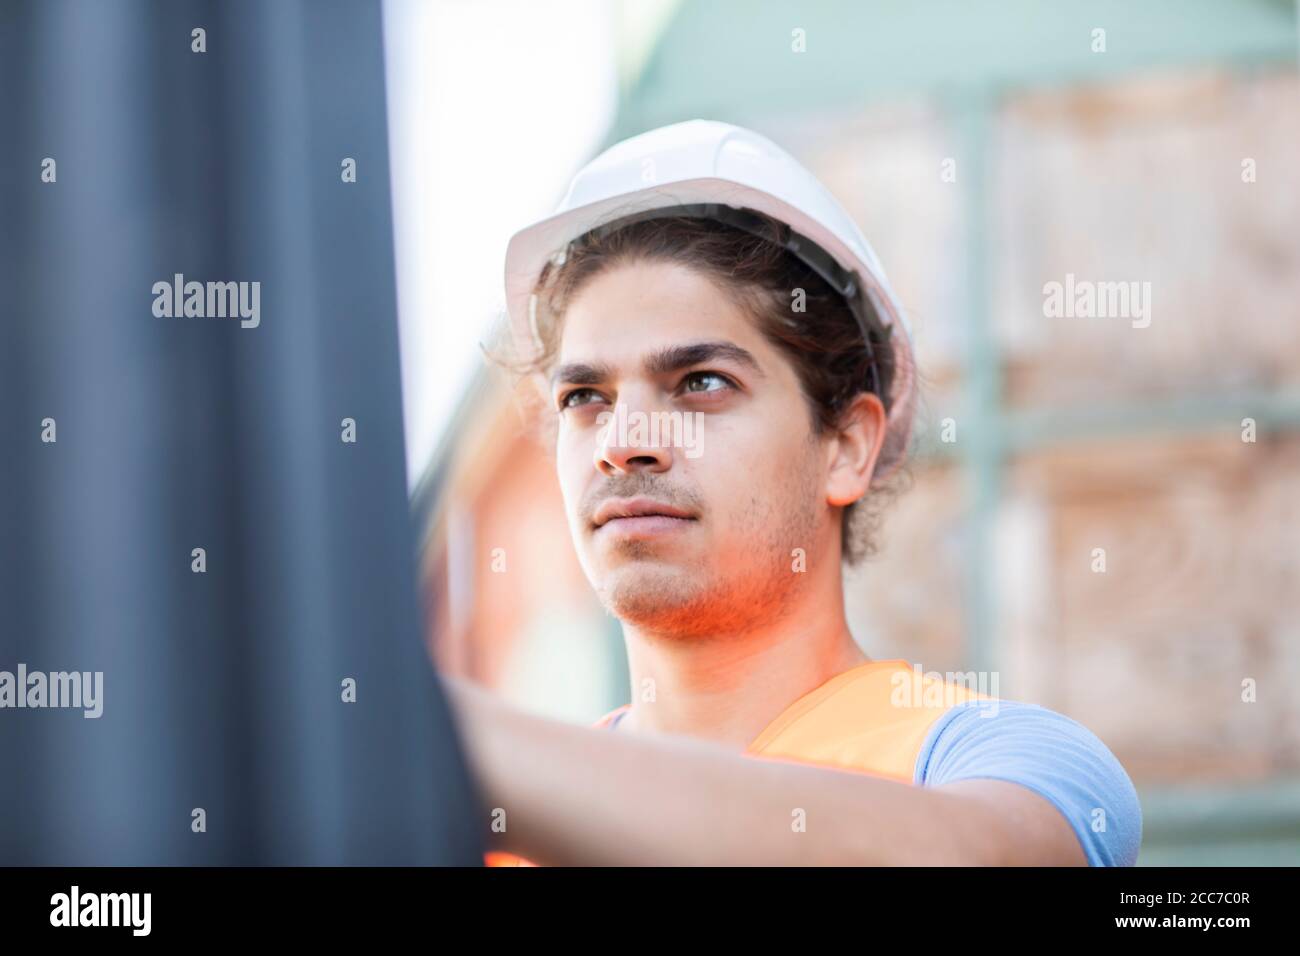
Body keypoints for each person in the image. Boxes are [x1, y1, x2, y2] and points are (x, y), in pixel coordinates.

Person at [441, 119, 1141, 866]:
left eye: (701, 384)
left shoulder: (1000, 766)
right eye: (585, 397)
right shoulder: (503, 829)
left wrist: (450, 740)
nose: (623, 442)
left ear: (847, 447)